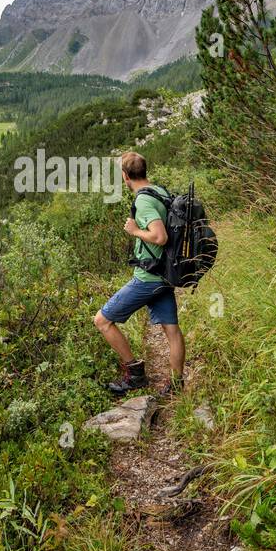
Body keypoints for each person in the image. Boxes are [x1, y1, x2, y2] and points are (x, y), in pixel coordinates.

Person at [92, 151, 185, 396]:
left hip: (148, 278)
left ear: (125, 176)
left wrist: (134, 230)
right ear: (144, 170)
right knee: (172, 330)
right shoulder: (161, 192)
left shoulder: (143, 201)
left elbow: (160, 236)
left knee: (102, 321)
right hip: (166, 274)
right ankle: (176, 384)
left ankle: (135, 375)